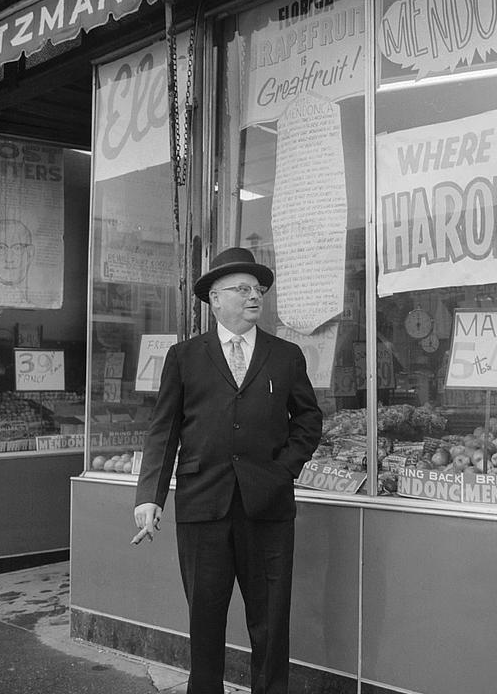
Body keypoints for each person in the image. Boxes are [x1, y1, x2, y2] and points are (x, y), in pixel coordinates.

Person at [133, 246, 323, 694]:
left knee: (270, 620)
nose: (254, 296)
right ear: (215, 299)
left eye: (258, 289)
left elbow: (309, 420)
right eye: (242, 289)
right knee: (204, 618)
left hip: (268, 506)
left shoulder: (286, 355)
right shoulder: (184, 357)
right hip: (203, 505)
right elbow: (164, 429)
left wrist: (283, 470)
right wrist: (149, 497)